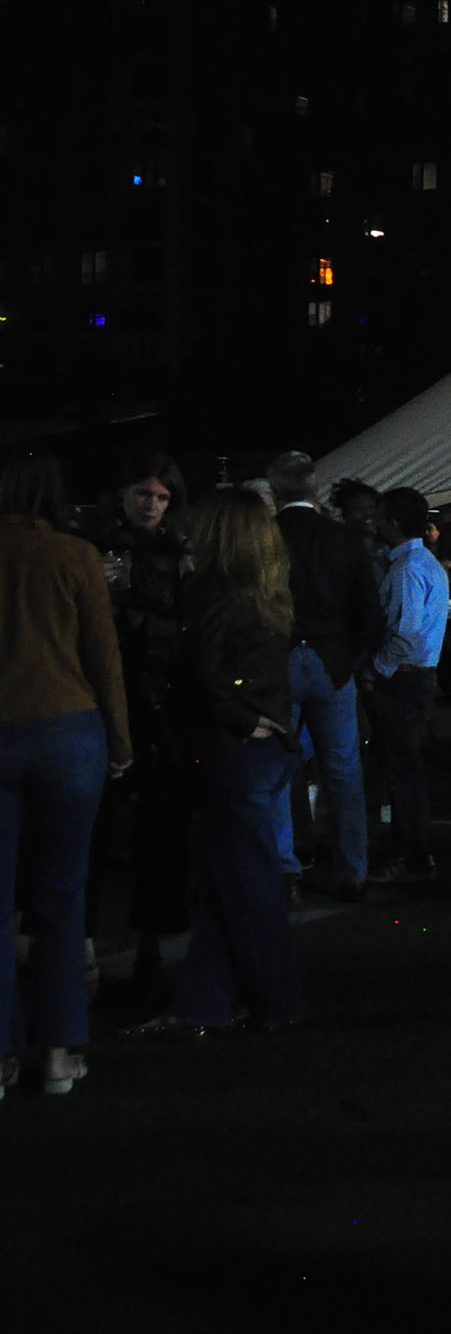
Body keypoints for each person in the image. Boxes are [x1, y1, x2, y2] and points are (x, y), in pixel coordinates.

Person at [140, 489, 305, 1038]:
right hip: (263, 747)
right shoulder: (267, 590)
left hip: (233, 750)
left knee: (243, 885)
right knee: (228, 882)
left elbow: (202, 673)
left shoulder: (212, 589)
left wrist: (237, 719)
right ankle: (205, 1004)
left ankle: (271, 1002)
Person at [1, 454, 131, 1096]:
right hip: (68, 731)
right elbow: (102, 655)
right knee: (59, 901)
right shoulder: (74, 556)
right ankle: (56, 1055)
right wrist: (120, 737)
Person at [90, 452, 194, 990]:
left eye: (160, 497)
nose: (151, 504)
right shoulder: (95, 543)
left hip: (160, 699)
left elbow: (188, 626)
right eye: (143, 494)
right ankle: (83, 941)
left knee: (159, 826)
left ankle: (153, 940)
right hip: (108, 696)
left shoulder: (180, 552)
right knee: (97, 821)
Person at [267, 451, 384, 902]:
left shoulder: (267, 537)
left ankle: (285, 868)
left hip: (279, 659)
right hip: (332, 660)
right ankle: (351, 868)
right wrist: (351, 657)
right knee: (342, 770)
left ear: (275, 491)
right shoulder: (342, 539)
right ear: (315, 489)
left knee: (279, 767)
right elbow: (369, 611)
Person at [367, 488, 447, 883]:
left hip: (404, 678)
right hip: (419, 675)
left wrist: (377, 669)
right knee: (407, 768)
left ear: (393, 523)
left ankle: (409, 852)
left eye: (381, 517)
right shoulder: (424, 563)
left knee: (401, 770)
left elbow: (405, 634)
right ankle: (414, 849)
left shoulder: (406, 568)